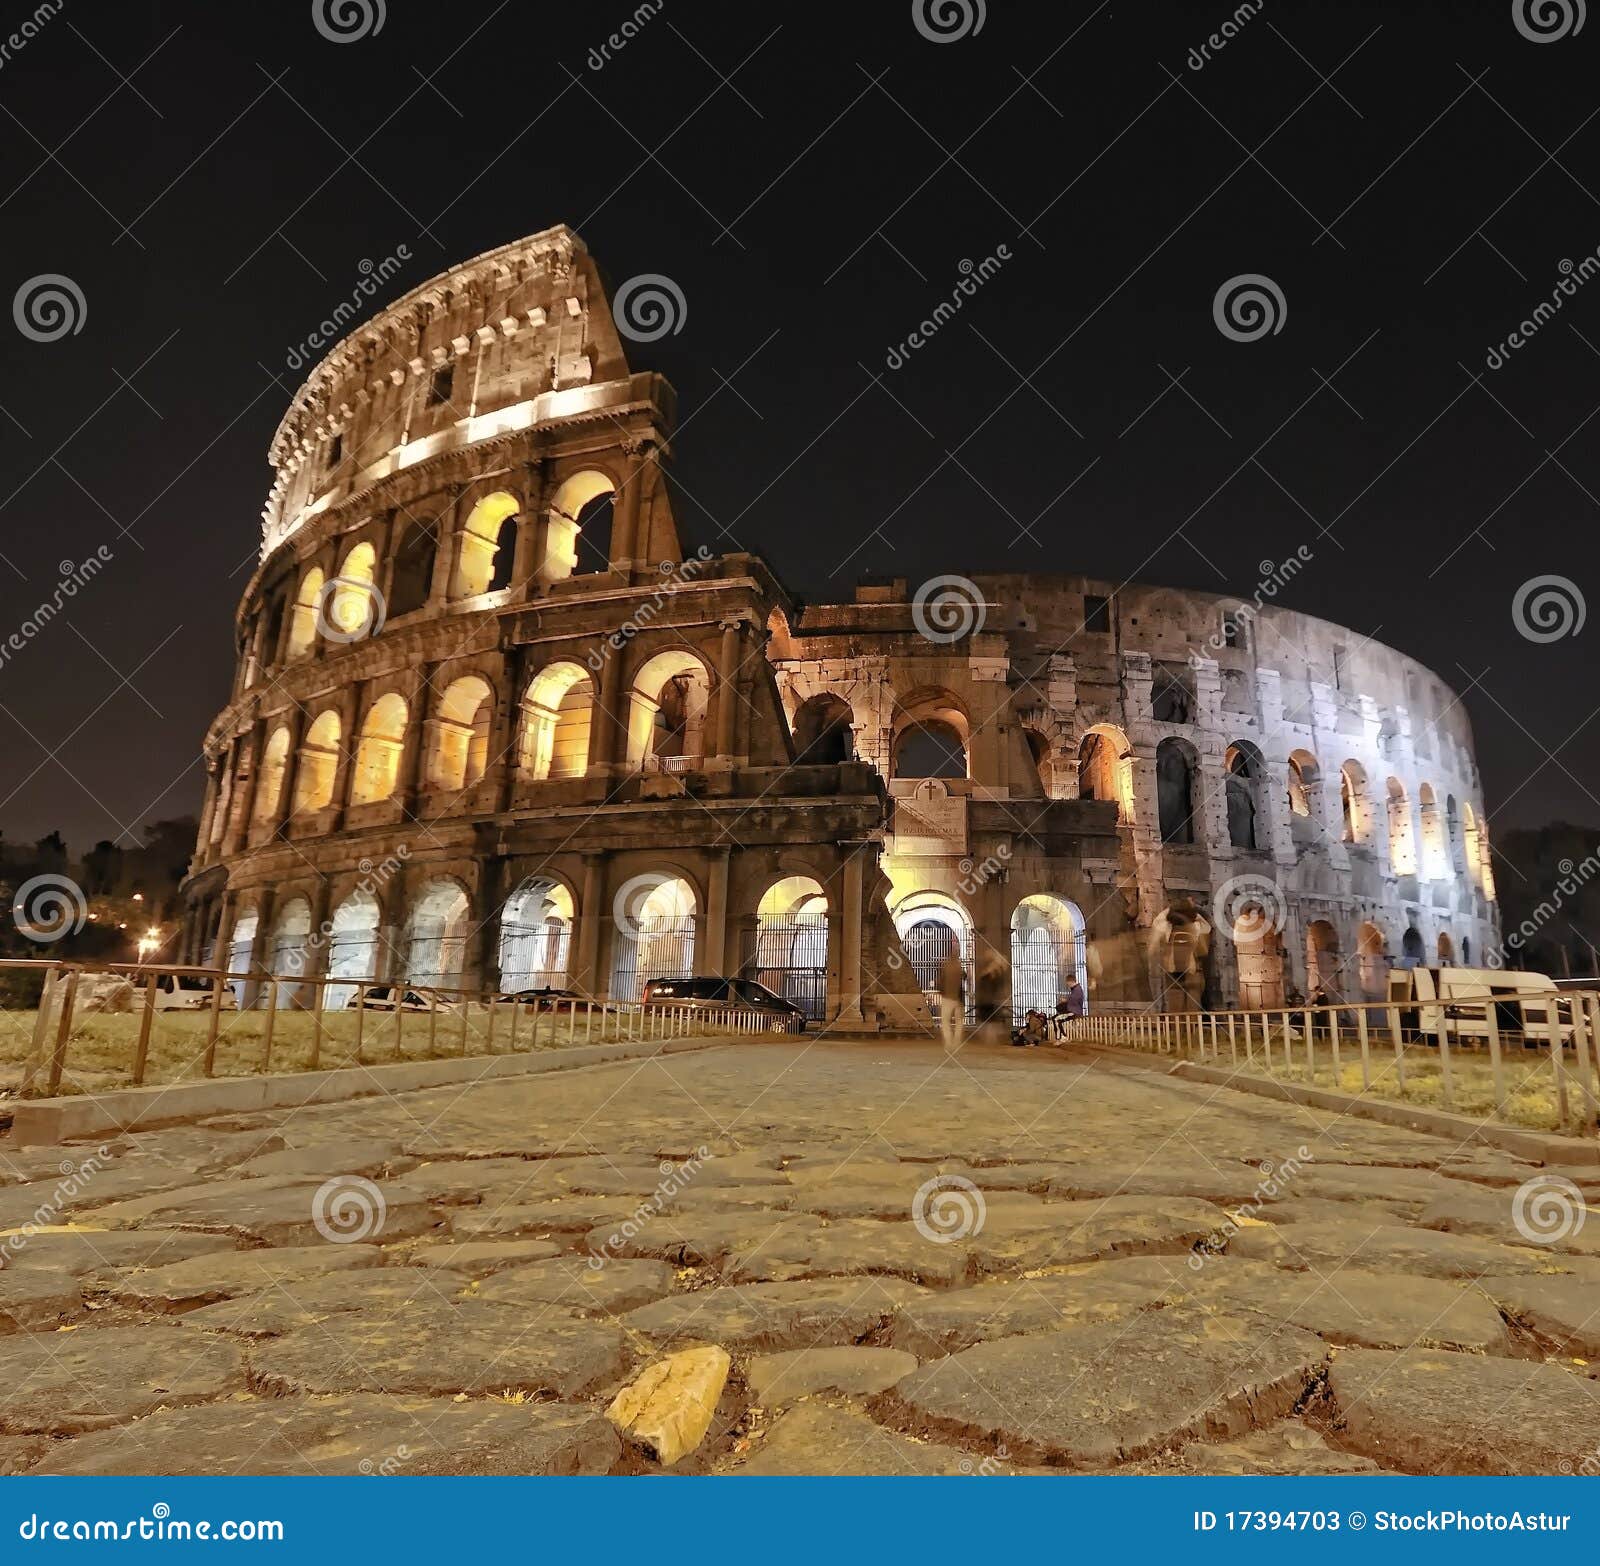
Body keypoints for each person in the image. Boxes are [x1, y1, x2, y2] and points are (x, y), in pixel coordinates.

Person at [936, 941, 966, 1052]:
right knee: (959, 1022)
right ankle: (957, 1042)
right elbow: (965, 978)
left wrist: (940, 991)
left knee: (945, 1022)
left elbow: (940, 981)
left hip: (947, 997)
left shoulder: (945, 965)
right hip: (958, 998)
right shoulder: (959, 967)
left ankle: (949, 1042)